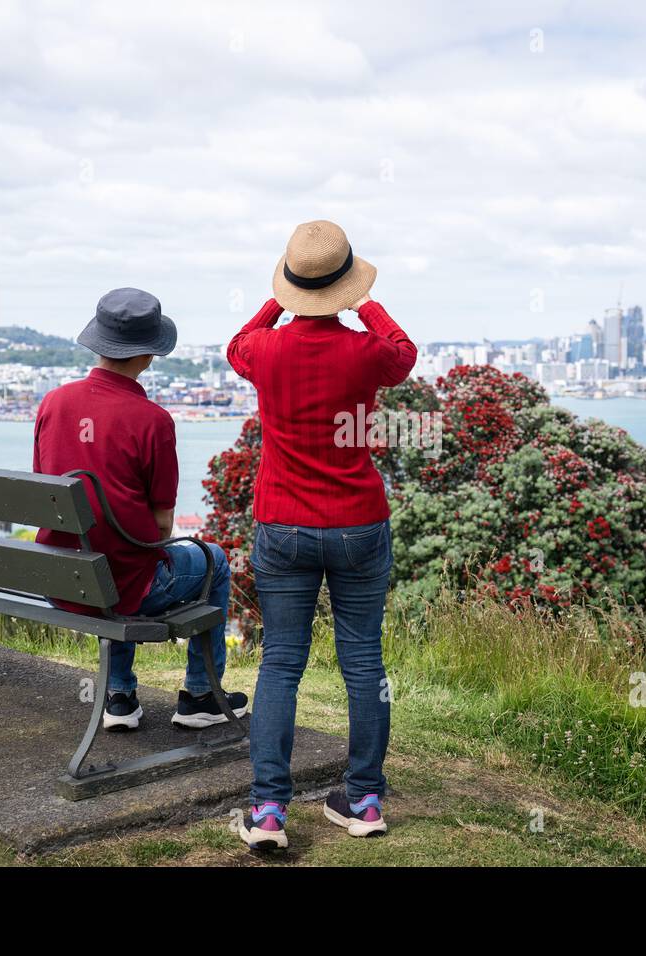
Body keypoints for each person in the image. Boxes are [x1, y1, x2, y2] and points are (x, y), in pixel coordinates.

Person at [227, 221, 416, 850]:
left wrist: (280, 298)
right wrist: (365, 304)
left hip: (283, 525)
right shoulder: (365, 353)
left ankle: (269, 812)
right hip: (359, 522)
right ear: (344, 286)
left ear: (292, 284)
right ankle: (363, 798)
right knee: (364, 661)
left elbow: (240, 341)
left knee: (281, 661)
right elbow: (403, 351)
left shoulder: (266, 353)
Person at [33, 287, 247, 731]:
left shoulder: (53, 402)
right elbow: (161, 527)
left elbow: (45, 489)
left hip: (62, 578)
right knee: (216, 561)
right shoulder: (152, 420)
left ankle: (119, 695)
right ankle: (201, 695)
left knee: (108, 560)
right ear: (149, 354)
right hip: (120, 584)